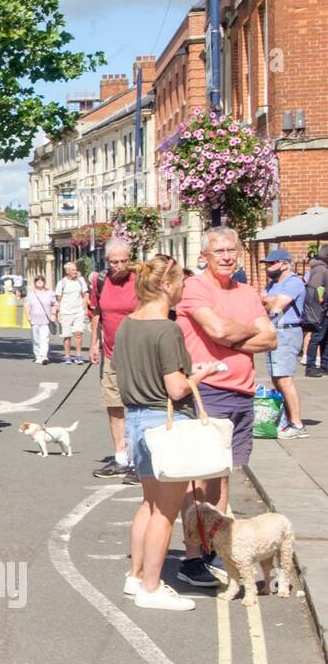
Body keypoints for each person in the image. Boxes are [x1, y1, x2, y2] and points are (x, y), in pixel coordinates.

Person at [114, 254, 222, 612]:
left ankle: (135, 575)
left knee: (147, 503)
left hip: (136, 420)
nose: (182, 289)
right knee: (166, 510)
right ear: (165, 285)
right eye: (180, 283)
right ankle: (151, 586)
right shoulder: (168, 329)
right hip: (166, 423)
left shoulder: (128, 324)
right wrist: (202, 373)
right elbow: (176, 389)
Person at [175, 226, 277, 588]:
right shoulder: (194, 288)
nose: (226, 256)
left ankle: (214, 547)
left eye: (231, 249)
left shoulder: (247, 290)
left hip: (242, 392)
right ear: (204, 255)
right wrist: (244, 333)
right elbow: (217, 331)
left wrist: (235, 337)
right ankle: (191, 557)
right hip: (209, 393)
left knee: (224, 474)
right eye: (218, 250)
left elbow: (272, 338)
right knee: (199, 478)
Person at [88, 239, 138, 482]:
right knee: (114, 405)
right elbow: (97, 311)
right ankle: (120, 458)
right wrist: (93, 342)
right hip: (110, 353)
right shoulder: (100, 281)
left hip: (139, 354)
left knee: (140, 408)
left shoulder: (140, 281)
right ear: (106, 261)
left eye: (124, 261)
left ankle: (140, 461)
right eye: (114, 262)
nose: (120, 266)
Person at [260, 248, 309, 438]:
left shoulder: (294, 282)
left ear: (285, 264)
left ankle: (297, 425)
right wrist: (267, 300)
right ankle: (287, 419)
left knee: (285, 378)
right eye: (267, 264)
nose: (268, 267)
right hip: (274, 331)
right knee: (276, 377)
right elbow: (261, 302)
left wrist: (267, 301)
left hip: (287, 332)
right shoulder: (273, 284)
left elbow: (277, 305)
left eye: (273, 263)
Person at [53, 262, 90, 364]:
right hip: (66, 312)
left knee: (78, 333)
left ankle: (78, 355)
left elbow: (85, 293)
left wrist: (85, 305)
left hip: (78, 311)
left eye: (75, 269)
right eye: (73, 270)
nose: (75, 272)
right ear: (67, 271)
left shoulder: (80, 281)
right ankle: (67, 355)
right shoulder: (62, 283)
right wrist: (57, 312)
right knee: (67, 335)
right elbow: (58, 298)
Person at [305, 245, 328, 377]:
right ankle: (310, 366)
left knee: (325, 339)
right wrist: (320, 308)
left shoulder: (323, 269)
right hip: (320, 311)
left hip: (324, 310)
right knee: (317, 338)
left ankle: (325, 365)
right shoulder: (320, 270)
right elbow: (315, 291)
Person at [26, 275, 56, 364]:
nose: (40, 281)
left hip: (46, 319)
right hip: (34, 319)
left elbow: (55, 304)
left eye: (41, 280)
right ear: (35, 283)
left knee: (44, 338)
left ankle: (43, 356)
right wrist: (28, 316)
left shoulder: (50, 293)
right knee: (36, 338)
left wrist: (54, 314)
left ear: (44, 282)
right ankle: (37, 355)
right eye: (37, 280)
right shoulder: (31, 293)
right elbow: (27, 305)